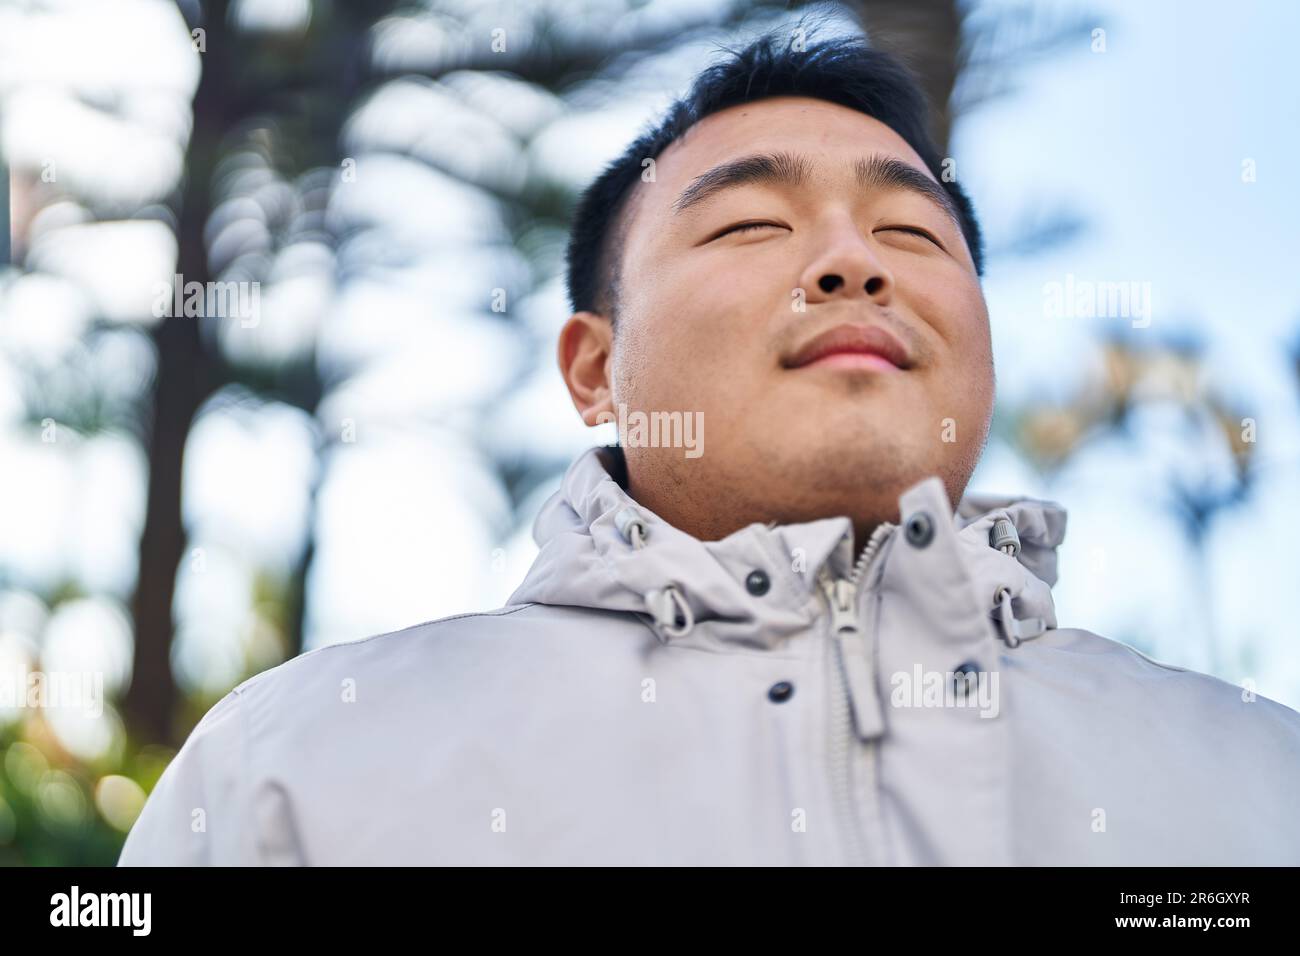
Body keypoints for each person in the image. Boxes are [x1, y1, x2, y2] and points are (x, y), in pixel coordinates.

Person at [119, 29, 1300, 866]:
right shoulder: (295, 772)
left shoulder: (1259, 776)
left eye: (908, 229)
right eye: (749, 223)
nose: (853, 261)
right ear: (593, 367)